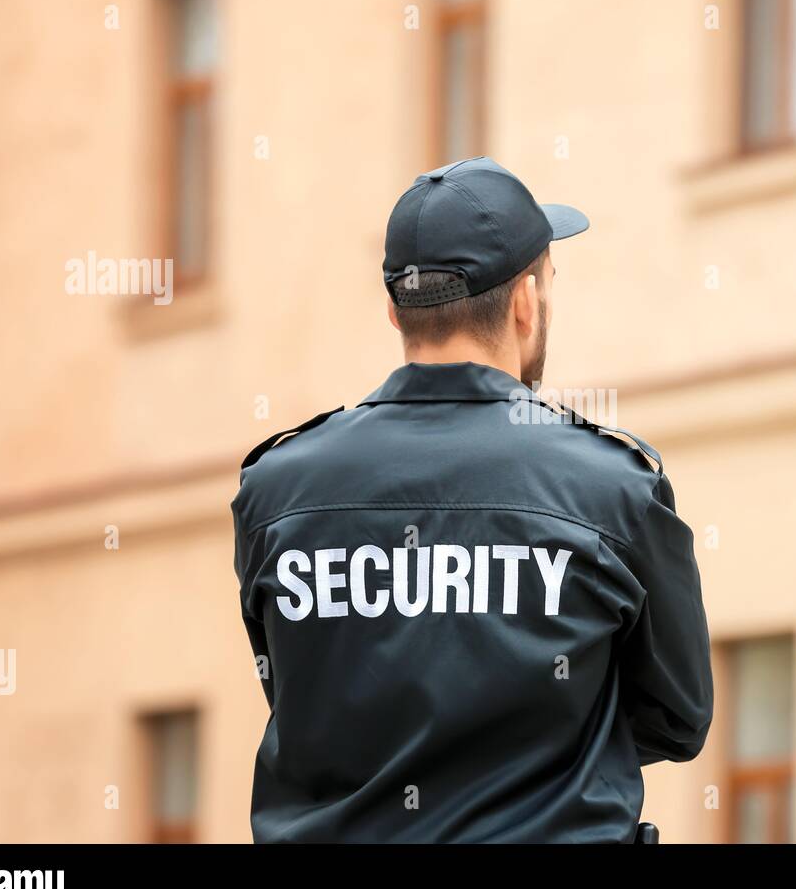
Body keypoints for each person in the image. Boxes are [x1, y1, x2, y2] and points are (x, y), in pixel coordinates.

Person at [231, 157, 713, 842]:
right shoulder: (612, 488)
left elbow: (302, 697)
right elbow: (678, 717)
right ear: (525, 302)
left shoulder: (275, 490)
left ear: (395, 309)